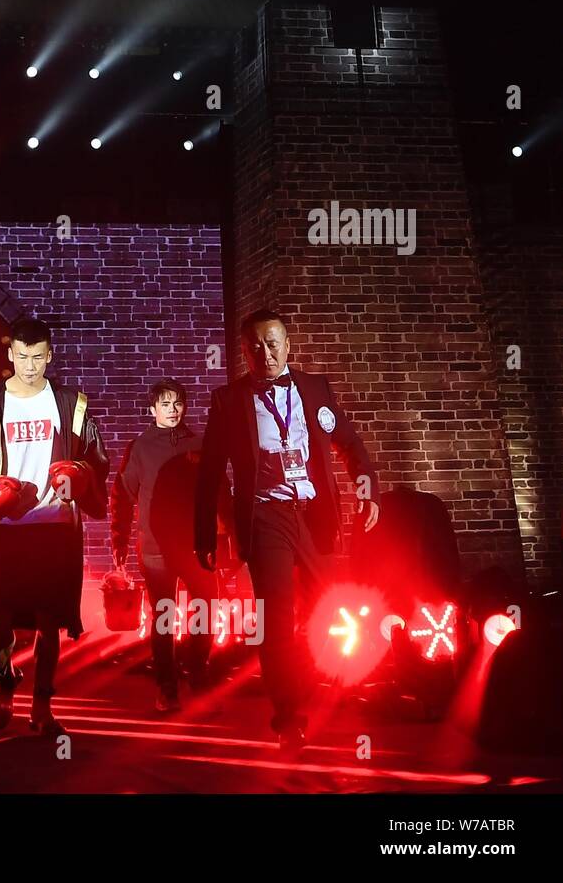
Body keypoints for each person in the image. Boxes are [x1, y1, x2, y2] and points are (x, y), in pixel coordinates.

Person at [194, 309, 380, 751]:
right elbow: (210, 473)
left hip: (314, 514)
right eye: (255, 346)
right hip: (266, 516)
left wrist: (367, 489)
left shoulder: (315, 388)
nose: (266, 353)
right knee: (277, 620)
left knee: (330, 608)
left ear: (288, 344)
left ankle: (329, 688)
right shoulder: (228, 399)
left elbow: (349, 442)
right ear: (244, 352)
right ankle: (288, 717)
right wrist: (206, 535)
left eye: (273, 342)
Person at [0, 317, 109, 737]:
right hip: (5, 526)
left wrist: (78, 474)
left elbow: (96, 457)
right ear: (10, 354)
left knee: (49, 619)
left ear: (49, 356)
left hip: (54, 527)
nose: (29, 365)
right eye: (22, 356)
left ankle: (42, 705)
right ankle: (5, 679)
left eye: (37, 357)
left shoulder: (69, 403)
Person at [111, 379, 223, 712]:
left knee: (203, 611)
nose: (172, 410)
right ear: (152, 409)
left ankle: (198, 669)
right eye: (165, 404)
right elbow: (122, 494)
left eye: (177, 404)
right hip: (156, 548)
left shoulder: (201, 444)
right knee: (163, 618)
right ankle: (167, 686)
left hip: (197, 548)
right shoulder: (141, 447)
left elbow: (219, 492)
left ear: (184, 407)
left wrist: (228, 539)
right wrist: (118, 538)